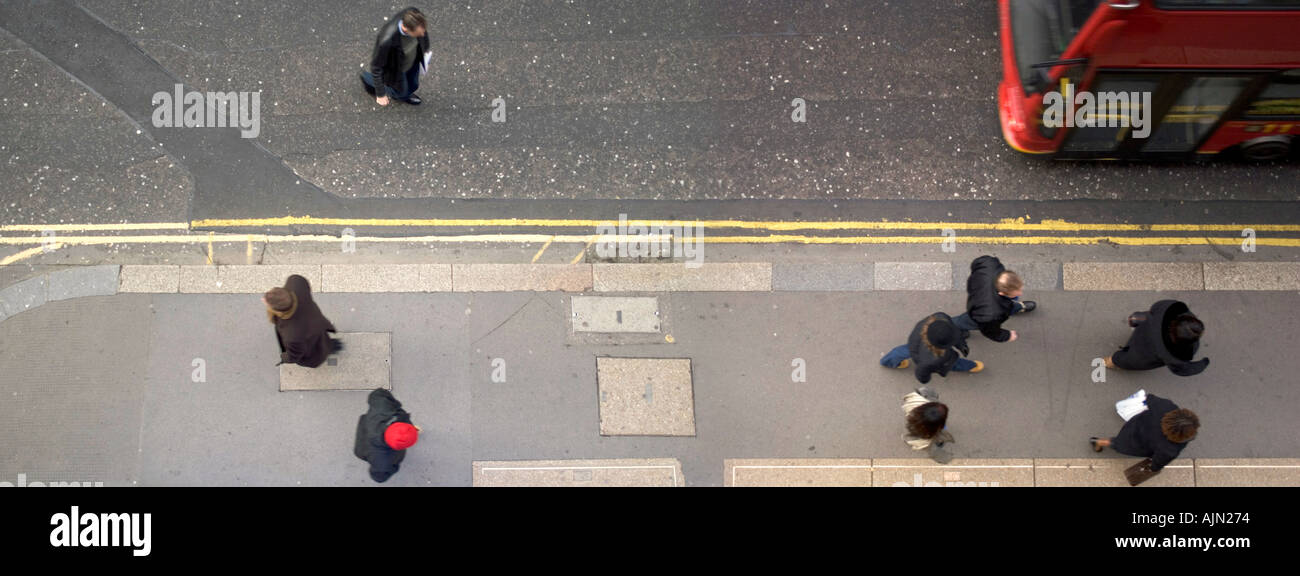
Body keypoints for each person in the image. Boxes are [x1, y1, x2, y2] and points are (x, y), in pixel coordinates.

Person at [1090, 394, 1199, 474]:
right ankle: (1098, 442)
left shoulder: (1166, 407)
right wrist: (1154, 469)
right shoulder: (1170, 449)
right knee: (1117, 444)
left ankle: (1098, 443)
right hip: (1136, 444)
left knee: (1120, 441)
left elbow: (1149, 398)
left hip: (1133, 427)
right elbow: (1158, 462)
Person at [1104, 300, 1209, 376]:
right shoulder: (1177, 356)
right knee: (1125, 359)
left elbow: (1154, 308)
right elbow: (1185, 370)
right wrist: (1203, 363)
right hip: (1143, 355)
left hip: (1142, 333)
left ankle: (1110, 361)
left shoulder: (1170, 308)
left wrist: (1135, 319)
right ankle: (1110, 362)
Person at [952, 255, 1036, 343]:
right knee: (963, 322)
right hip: (977, 313)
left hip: (980, 295)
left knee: (1007, 305)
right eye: (1016, 292)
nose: (1020, 293)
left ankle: (1016, 307)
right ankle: (949, 326)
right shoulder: (989, 314)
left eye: (1020, 288)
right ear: (1001, 293)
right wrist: (1007, 336)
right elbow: (990, 331)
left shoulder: (989, 263)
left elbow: (977, 263)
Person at [881, 312, 984, 384]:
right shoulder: (934, 359)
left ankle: (888, 361)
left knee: (904, 350)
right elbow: (922, 371)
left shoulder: (933, 321)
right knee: (953, 363)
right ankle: (970, 366)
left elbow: (952, 334)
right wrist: (924, 379)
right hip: (925, 355)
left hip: (914, 342)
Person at [265, 274, 341, 368]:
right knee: (323, 342)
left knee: (319, 349)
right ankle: (333, 346)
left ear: (277, 310)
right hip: (317, 324)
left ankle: (331, 348)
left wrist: (284, 358)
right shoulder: (296, 282)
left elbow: (294, 355)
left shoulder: (292, 335)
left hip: (310, 343)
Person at [361, 7, 430, 106]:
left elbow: (423, 33)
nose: (423, 34)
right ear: (406, 30)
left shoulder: (414, 16)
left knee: (413, 84)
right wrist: (381, 94)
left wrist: (425, 50)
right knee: (400, 91)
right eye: (418, 34)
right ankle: (369, 81)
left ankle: (405, 94)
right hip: (397, 68)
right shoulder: (386, 41)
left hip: (412, 59)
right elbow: (376, 67)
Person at [354, 389, 420, 483]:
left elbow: (378, 394)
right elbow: (379, 477)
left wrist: (394, 405)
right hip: (364, 449)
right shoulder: (383, 461)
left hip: (365, 428)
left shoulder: (383, 407)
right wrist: (395, 467)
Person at [902, 387, 953, 463]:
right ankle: (940, 442)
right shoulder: (929, 438)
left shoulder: (915, 402)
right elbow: (933, 451)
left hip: (913, 427)